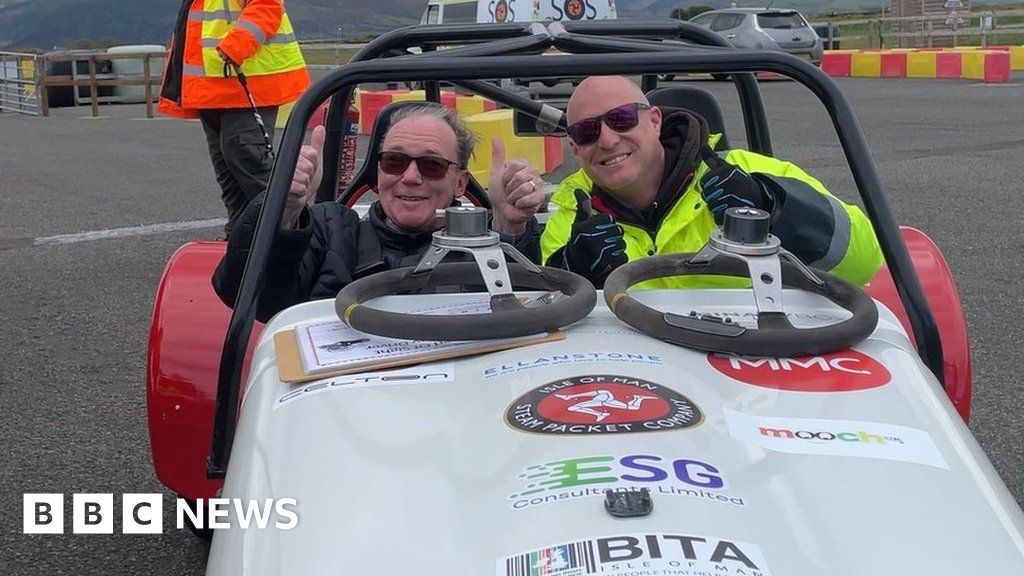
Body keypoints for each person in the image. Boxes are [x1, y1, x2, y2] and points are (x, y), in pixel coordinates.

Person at [213, 103, 547, 321]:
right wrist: (282, 209)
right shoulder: (330, 229)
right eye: (395, 161)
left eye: (432, 165)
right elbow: (245, 294)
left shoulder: (486, 245)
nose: (410, 177)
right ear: (379, 172)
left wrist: (510, 227)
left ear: (460, 183)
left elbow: (532, 318)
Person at [541, 75, 883, 289]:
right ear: (575, 148)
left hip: (753, 356)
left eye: (621, 119)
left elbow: (864, 260)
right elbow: (549, 314)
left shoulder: (749, 171)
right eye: (587, 131)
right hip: (638, 368)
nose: (607, 139)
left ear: (655, 121)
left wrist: (775, 208)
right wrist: (572, 270)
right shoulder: (572, 209)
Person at [158, 0, 310, 238]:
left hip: (247, 81)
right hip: (212, 89)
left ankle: (293, 232)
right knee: (228, 169)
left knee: (247, 158)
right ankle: (241, 236)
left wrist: (236, 46)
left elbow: (266, 6)